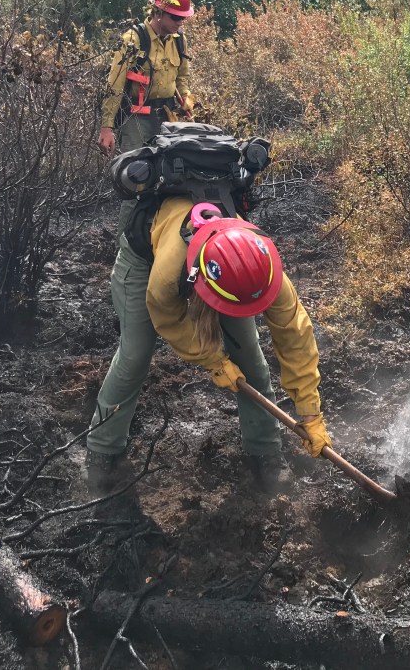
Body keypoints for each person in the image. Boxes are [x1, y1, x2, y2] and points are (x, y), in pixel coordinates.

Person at [83, 197, 333, 497]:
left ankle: (265, 452)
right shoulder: (166, 277)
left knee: (250, 359)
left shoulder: (262, 266)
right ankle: (102, 451)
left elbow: (296, 337)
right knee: (135, 355)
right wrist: (215, 361)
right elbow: (171, 322)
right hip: (142, 259)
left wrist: (310, 413)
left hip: (222, 271)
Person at [99, 0, 197, 231]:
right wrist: (106, 128)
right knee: (137, 181)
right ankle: (125, 248)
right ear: (159, 12)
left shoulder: (179, 40)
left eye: (182, 18)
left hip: (166, 119)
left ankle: (153, 243)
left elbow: (182, 77)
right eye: (175, 17)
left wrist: (185, 96)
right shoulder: (133, 40)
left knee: (168, 181)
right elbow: (114, 87)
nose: (179, 22)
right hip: (136, 120)